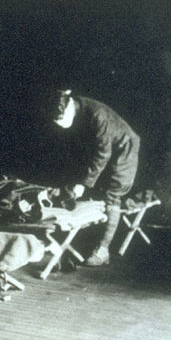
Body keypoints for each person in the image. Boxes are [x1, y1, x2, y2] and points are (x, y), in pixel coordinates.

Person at [48, 89, 141, 266]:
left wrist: (84, 183)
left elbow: (102, 154)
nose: (59, 123)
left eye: (60, 119)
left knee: (112, 195)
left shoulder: (97, 115)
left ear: (68, 107)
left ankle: (103, 250)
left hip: (124, 149)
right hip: (105, 149)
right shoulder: (78, 109)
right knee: (85, 186)